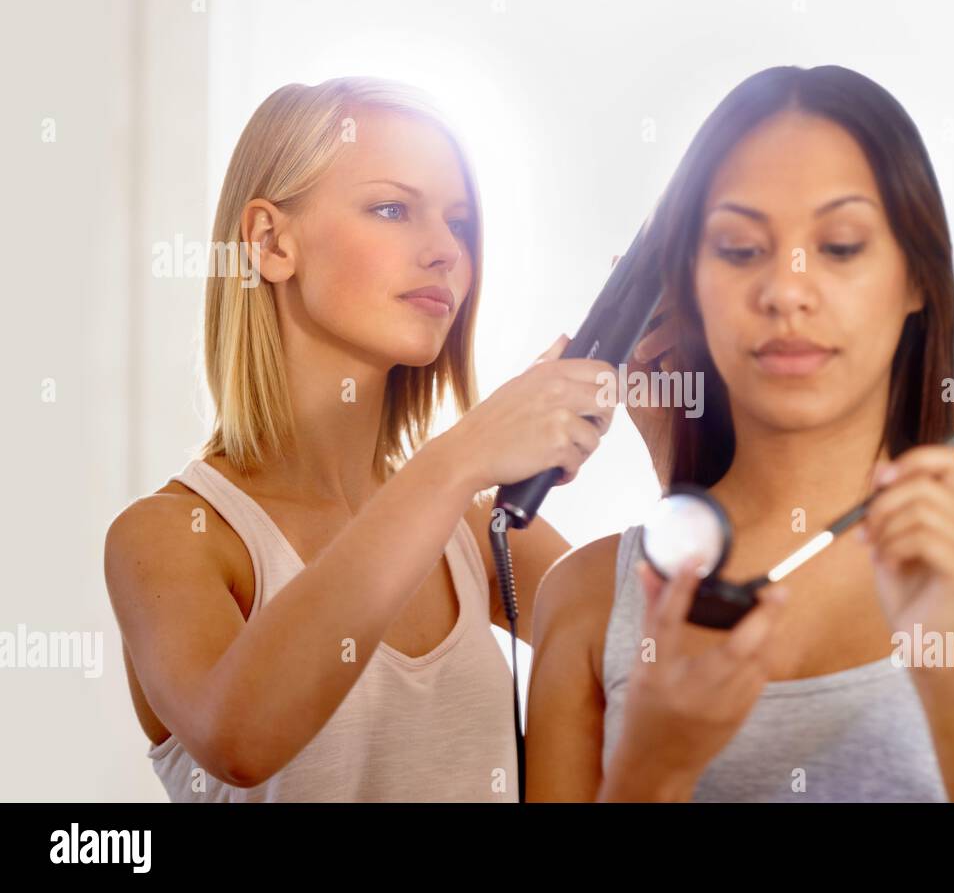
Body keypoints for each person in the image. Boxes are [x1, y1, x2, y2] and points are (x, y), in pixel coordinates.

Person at [525, 65, 954, 802]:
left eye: (842, 245)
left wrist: (944, 680)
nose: (786, 289)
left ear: (916, 279)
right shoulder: (586, 598)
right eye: (740, 248)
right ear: (684, 288)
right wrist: (653, 770)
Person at [103, 77, 666, 801]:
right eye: (393, 208)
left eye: (458, 224)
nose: (444, 252)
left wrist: (667, 406)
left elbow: (700, 678)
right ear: (271, 243)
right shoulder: (172, 539)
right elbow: (240, 740)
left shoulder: (477, 535)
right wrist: (465, 453)